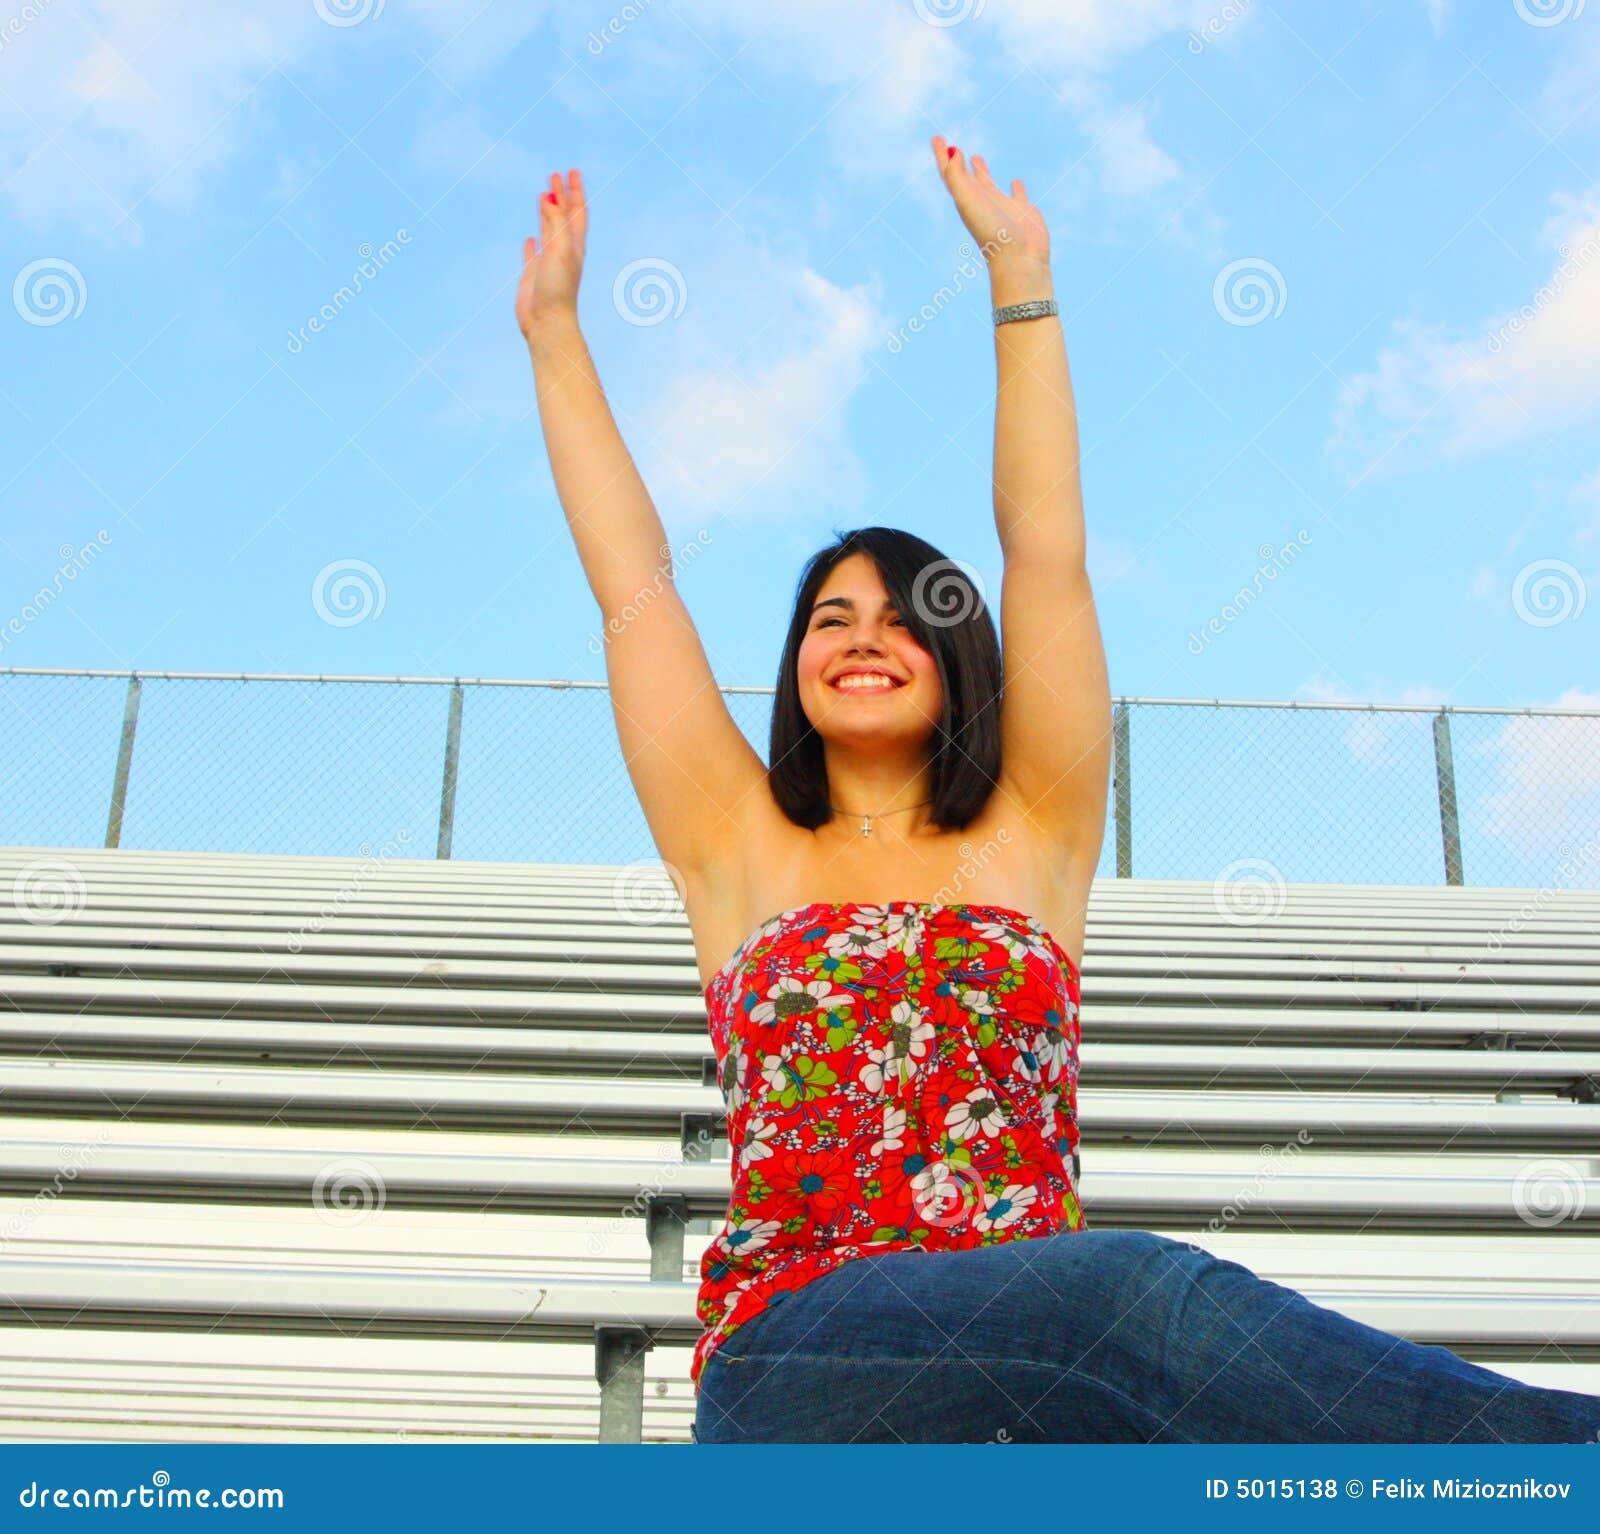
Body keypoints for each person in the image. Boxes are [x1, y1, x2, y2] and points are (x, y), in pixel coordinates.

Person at [516, 142, 1600, 1444]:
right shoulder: (737, 844)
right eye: (830, 619)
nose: (862, 637)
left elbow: (1048, 551)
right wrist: (556, 333)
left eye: (903, 619)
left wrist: (1021, 278)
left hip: (1046, 1378)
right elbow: (634, 585)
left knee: (1126, 1352)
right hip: (805, 1357)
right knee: (1129, 1292)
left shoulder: (1039, 830)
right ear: (796, 664)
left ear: (957, 655)